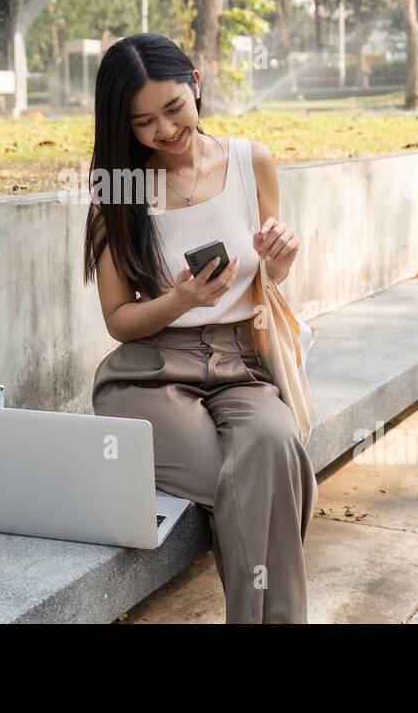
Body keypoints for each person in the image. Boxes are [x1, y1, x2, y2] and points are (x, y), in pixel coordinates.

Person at [81, 32, 318, 624]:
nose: (164, 130)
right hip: (152, 372)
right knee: (264, 484)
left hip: (242, 365)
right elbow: (119, 323)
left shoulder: (249, 161)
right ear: (121, 125)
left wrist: (281, 259)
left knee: (274, 443)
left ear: (195, 83)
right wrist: (179, 300)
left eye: (173, 108)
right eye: (142, 122)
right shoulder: (118, 195)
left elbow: (270, 274)